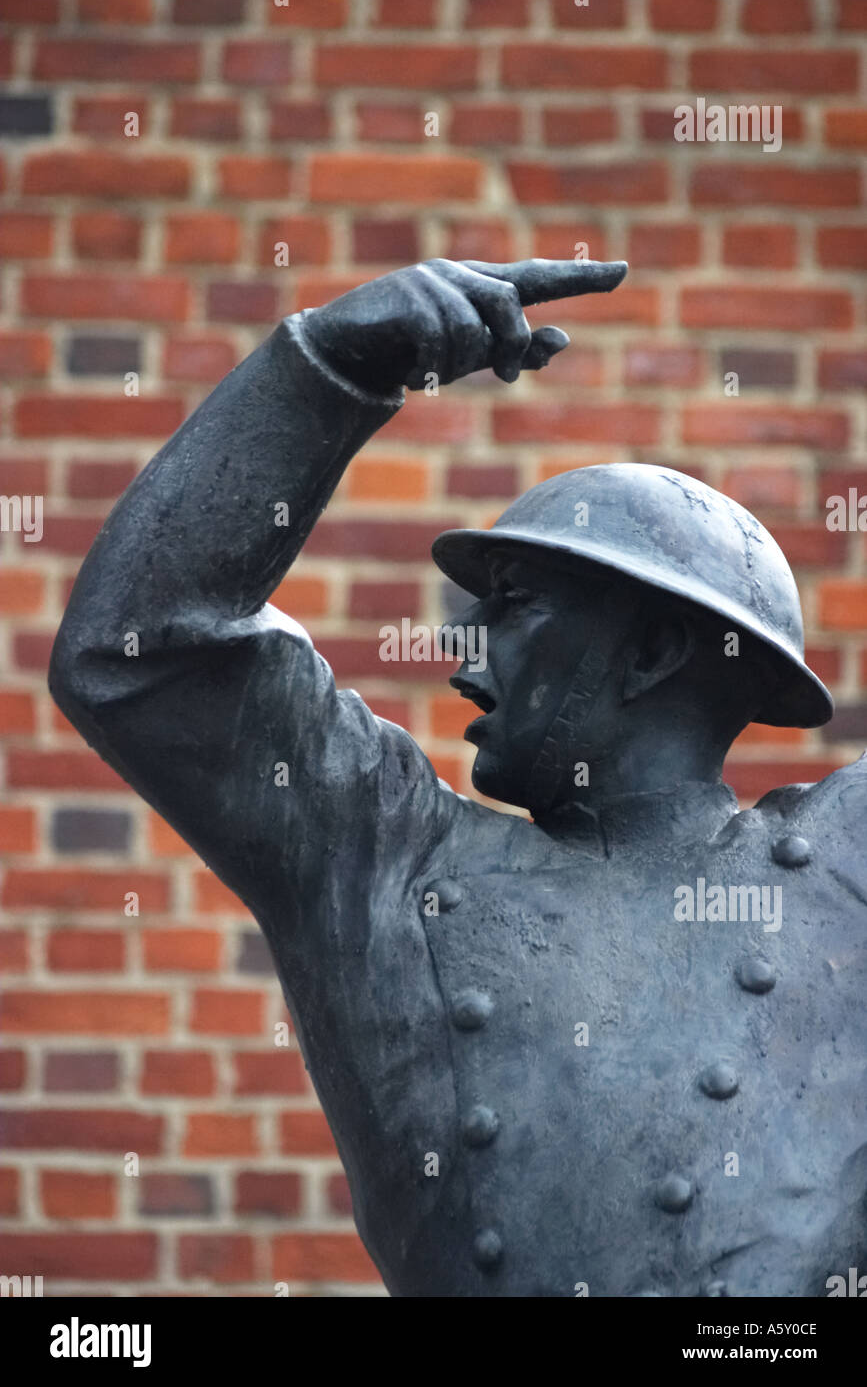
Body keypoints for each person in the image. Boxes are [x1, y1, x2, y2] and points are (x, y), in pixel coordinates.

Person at [50, 259, 867, 1298]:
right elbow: (143, 653)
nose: (464, 655)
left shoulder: (843, 868)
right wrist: (324, 372)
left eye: (515, 607)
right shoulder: (388, 861)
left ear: (654, 648)